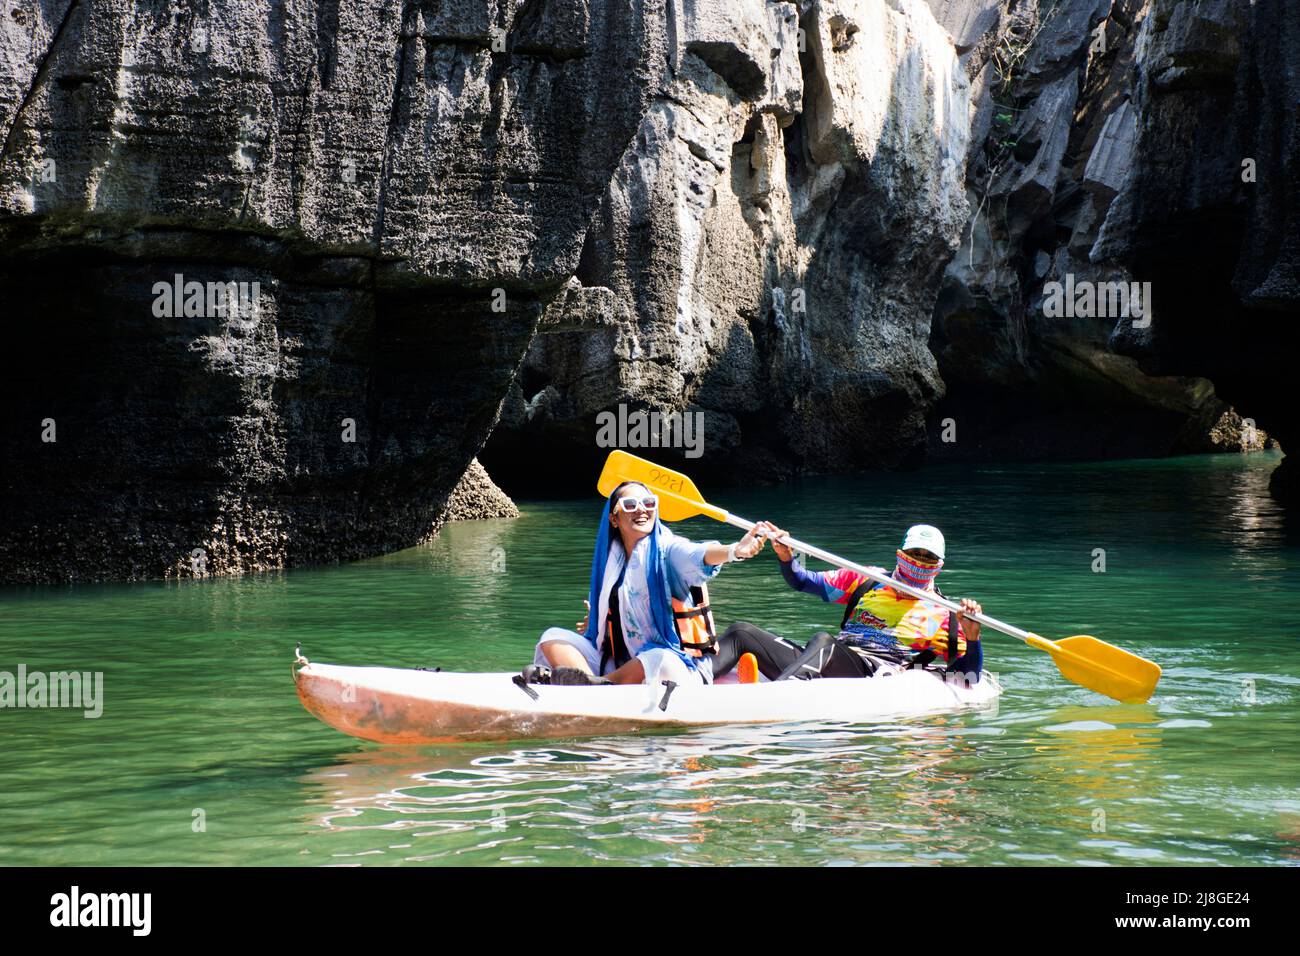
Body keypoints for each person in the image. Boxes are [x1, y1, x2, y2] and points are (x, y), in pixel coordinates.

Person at [523, 480, 769, 686]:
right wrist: (605, 618)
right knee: (551, 636)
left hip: (678, 665)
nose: (641, 510)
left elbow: (698, 553)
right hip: (622, 661)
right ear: (614, 519)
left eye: (649, 503)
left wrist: (735, 550)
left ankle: (601, 686)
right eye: (630, 505)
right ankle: (588, 682)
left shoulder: (668, 551)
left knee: (656, 658)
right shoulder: (611, 561)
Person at [711, 523, 986, 683]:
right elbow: (803, 581)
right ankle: (692, 681)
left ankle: (776, 695)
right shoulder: (866, 578)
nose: (919, 562)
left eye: (928, 558)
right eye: (914, 554)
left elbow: (968, 676)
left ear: (938, 567)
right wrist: (787, 558)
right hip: (830, 657)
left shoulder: (946, 614)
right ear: (899, 553)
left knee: (824, 642)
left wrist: (973, 638)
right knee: (741, 632)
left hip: (876, 674)